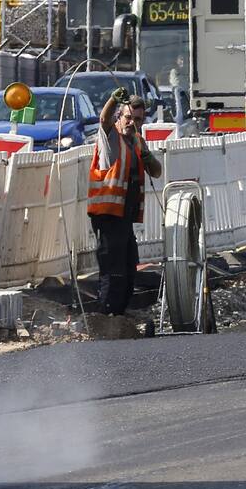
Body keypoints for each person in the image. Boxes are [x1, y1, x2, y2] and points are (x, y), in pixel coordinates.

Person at [86, 89, 163, 324]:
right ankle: (107, 315)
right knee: (113, 269)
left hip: (124, 217)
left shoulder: (137, 141)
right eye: (128, 117)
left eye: (137, 119)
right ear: (120, 116)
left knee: (130, 268)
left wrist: (147, 156)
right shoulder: (111, 137)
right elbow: (103, 118)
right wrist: (112, 99)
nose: (132, 123)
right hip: (108, 215)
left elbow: (156, 171)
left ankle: (119, 314)